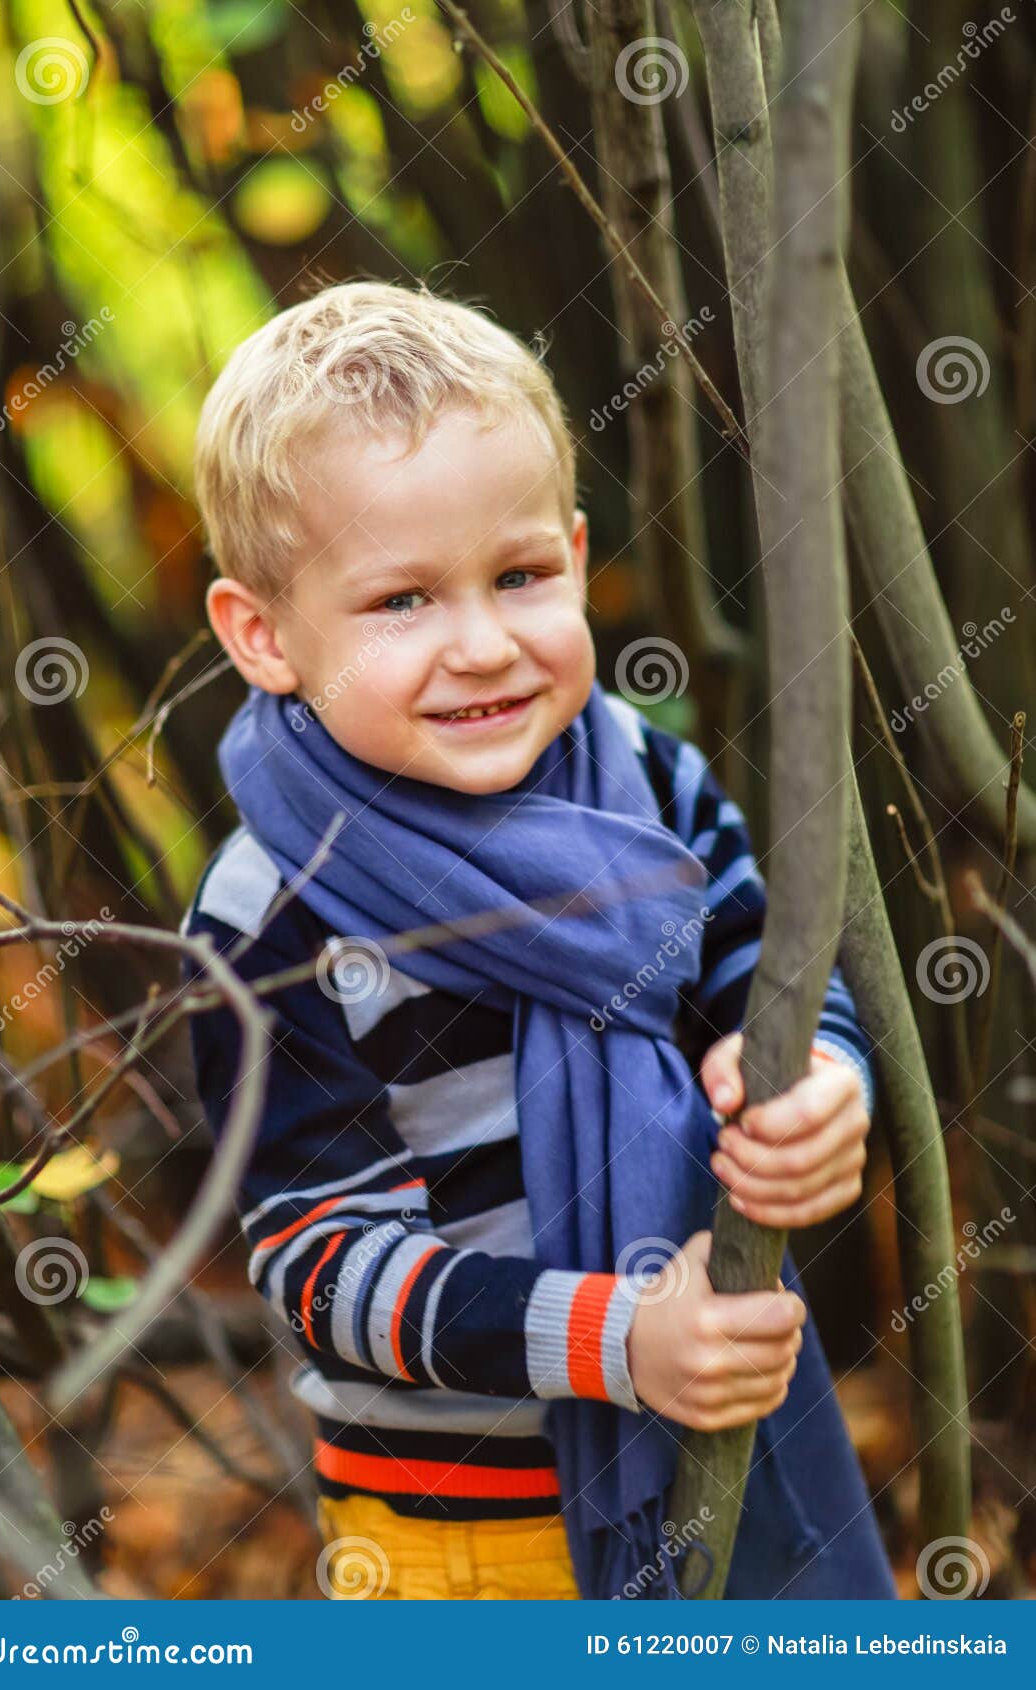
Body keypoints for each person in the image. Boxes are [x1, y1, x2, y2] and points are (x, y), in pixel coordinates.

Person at [181, 279, 896, 1602]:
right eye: (402, 601)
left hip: (719, 1447)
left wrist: (819, 1084)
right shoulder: (273, 910)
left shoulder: (636, 770)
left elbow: (762, 971)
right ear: (265, 635)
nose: (484, 644)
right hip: (463, 1535)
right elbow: (324, 1265)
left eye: (520, 576)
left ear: (574, 551)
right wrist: (621, 1338)